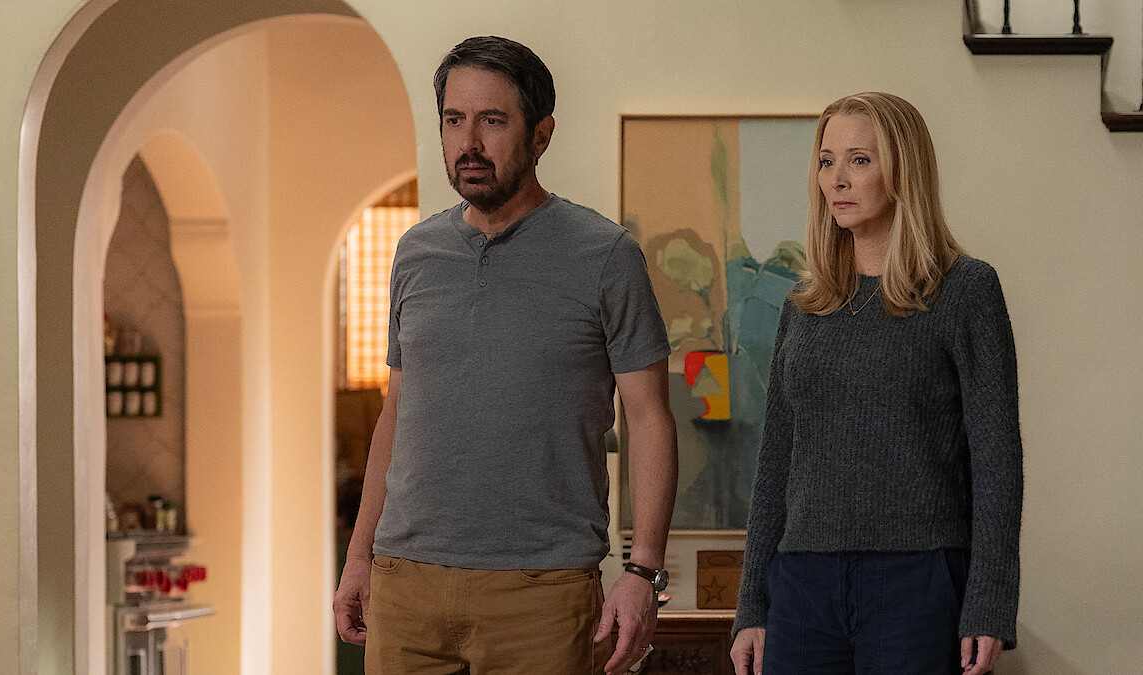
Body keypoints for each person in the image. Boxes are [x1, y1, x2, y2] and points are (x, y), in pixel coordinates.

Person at [333, 36, 679, 675]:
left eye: (492, 121)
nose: (468, 142)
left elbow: (650, 418)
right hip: (405, 587)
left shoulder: (606, 256)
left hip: (543, 593)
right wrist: (358, 558)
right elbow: (397, 415)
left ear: (541, 134)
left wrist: (644, 571)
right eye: (453, 120)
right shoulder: (415, 254)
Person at [729, 92, 1023, 675]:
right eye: (826, 161)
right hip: (802, 581)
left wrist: (989, 604)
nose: (836, 179)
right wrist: (752, 603)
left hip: (918, 579)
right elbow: (777, 459)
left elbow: (996, 461)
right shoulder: (804, 304)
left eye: (859, 160)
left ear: (903, 170)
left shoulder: (965, 290)